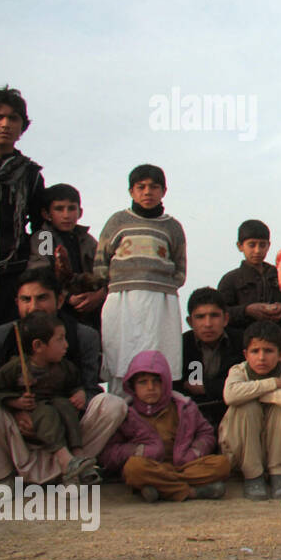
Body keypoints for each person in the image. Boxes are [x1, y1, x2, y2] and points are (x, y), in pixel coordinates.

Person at [0, 268, 127, 485]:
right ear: (16, 302)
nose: (33, 307)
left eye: (41, 298)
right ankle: (4, 476)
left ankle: (74, 466)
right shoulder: (2, 337)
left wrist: (79, 397)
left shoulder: (83, 336)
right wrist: (16, 408)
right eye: (25, 300)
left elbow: (91, 388)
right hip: (18, 431)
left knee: (113, 405)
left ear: (59, 300)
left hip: (67, 426)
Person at [94, 164, 186, 394]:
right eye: (141, 187)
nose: (147, 192)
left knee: (157, 358)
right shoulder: (118, 221)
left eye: (154, 187)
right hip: (122, 299)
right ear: (131, 191)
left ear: (164, 191)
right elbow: (100, 260)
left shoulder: (172, 227)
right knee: (121, 357)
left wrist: (163, 286)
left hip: (160, 303)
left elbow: (180, 267)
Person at [99, 350, 227, 502]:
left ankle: (160, 488)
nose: (150, 387)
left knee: (222, 464)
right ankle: (190, 492)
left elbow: (205, 434)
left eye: (156, 381)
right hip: (149, 466)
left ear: (166, 383)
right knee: (133, 469)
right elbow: (109, 453)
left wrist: (194, 452)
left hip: (184, 465)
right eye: (143, 382)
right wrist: (140, 451)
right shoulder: (126, 413)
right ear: (132, 386)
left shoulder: (184, 407)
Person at [219, 320, 281, 500]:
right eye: (255, 351)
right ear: (246, 354)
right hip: (243, 453)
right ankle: (253, 475)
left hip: (280, 452)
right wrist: (273, 384)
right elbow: (230, 396)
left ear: (280, 353)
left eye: (268, 351)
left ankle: (279, 472)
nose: (261, 358)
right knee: (246, 407)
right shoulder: (239, 371)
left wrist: (260, 394)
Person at [0, 313, 89, 479]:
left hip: (58, 407)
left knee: (65, 406)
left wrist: (80, 393)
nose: (66, 345)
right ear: (38, 346)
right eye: (60, 339)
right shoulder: (16, 368)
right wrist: (16, 402)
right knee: (47, 413)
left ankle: (78, 454)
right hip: (34, 412)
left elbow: (76, 384)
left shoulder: (65, 367)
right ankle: (64, 459)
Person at [216, 219, 281, 361]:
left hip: (278, 351)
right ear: (240, 246)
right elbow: (221, 315)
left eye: (262, 245)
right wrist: (247, 310)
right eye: (252, 245)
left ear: (269, 246)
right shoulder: (231, 280)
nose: (257, 250)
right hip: (241, 351)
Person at [0, 86, 46, 326]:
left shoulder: (30, 175)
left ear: (22, 127)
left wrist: (43, 267)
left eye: (13, 118)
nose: (5, 124)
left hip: (12, 275)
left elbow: (43, 228)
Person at [28, 183, 105, 330]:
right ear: (46, 214)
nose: (66, 215)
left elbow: (106, 270)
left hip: (91, 308)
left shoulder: (87, 240)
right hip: (59, 310)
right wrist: (68, 298)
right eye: (59, 209)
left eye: (71, 208)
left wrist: (99, 295)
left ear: (80, 212)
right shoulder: (44, 237)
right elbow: (41, 275)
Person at [174, 287, 241, 429]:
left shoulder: (241, 342)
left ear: (226, 318)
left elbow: (247, 383)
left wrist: (207, 387)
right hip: (191, 417)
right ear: (190, 321)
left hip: (234, 415)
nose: (208, 324)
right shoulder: (180, 345)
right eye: (200, 317)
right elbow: (180, 387)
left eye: (214, 315)